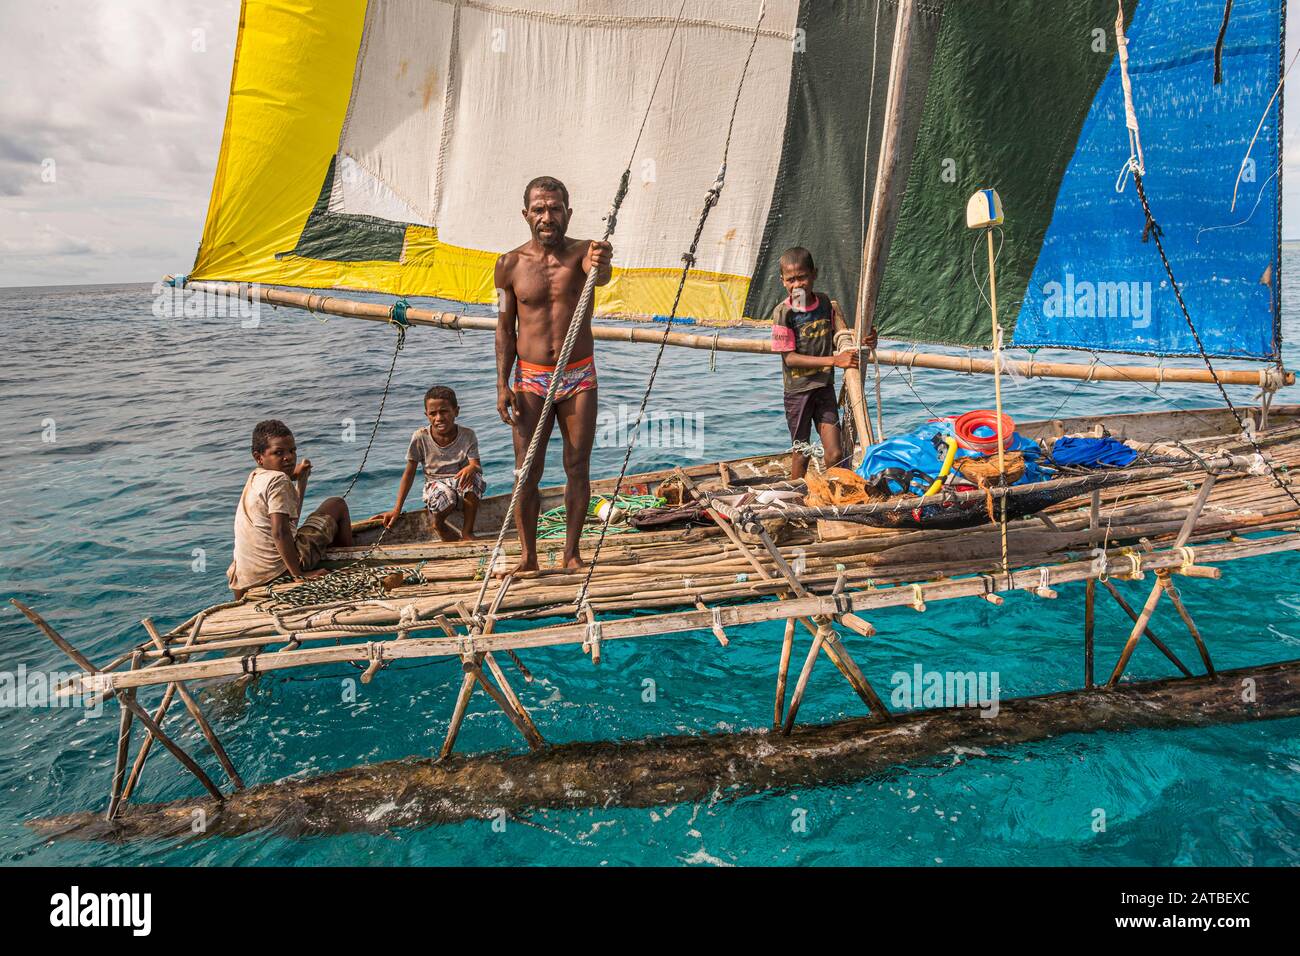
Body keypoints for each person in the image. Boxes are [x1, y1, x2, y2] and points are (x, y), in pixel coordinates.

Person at [493, 175, 612, 575]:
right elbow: (505, 327)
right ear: (526, 214)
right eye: (539, 209)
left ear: (568, 213)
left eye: (555, 208)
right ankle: (528, 558)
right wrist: (501, 383)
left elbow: (602, 271)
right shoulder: (508, 265)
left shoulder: (583, 253)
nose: (548, 216)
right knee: (526, 469)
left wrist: (603, 258)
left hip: (578, 375)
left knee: (577, 465)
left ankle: (571, 554)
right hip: (529, 379)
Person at [770, 246, 872, 479]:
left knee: (835, 453)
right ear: (782, 281)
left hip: (824, 389)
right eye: (791, 280)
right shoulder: (783, 313)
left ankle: (833, 496)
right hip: (798, 393)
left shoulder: (826, 304)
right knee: (802, 452)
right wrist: (835, 360)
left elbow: (842, 336)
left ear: (814, 274)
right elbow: (790, 358)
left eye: (802, 277)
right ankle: (796, 498)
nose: (797, 285)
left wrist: (865, 338)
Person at [227, 419, 352, 599]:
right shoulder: (279, 480)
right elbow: (280, 533)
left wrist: (301, 480)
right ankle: (350, 562)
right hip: (279, 572)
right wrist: (298, 575)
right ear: (259, 457)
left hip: (247, 577)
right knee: (336, 504)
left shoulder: (255, 477)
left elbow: (290, 525)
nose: (289, 457)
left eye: (292, 450)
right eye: (278, 453)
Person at [376, 385, 484, 541]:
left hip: (460, 483)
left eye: (444, 411)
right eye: (433, 413)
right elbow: (409, 473)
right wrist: (397, 509)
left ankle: (467, 532)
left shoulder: (468, 435)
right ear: (427, 415)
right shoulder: (420, 437)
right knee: (446, 496)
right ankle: (439, 524)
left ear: (456, 411)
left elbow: (477, 465)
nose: (439, 418)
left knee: (474, 478)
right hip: (436, 486)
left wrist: (472, 467)